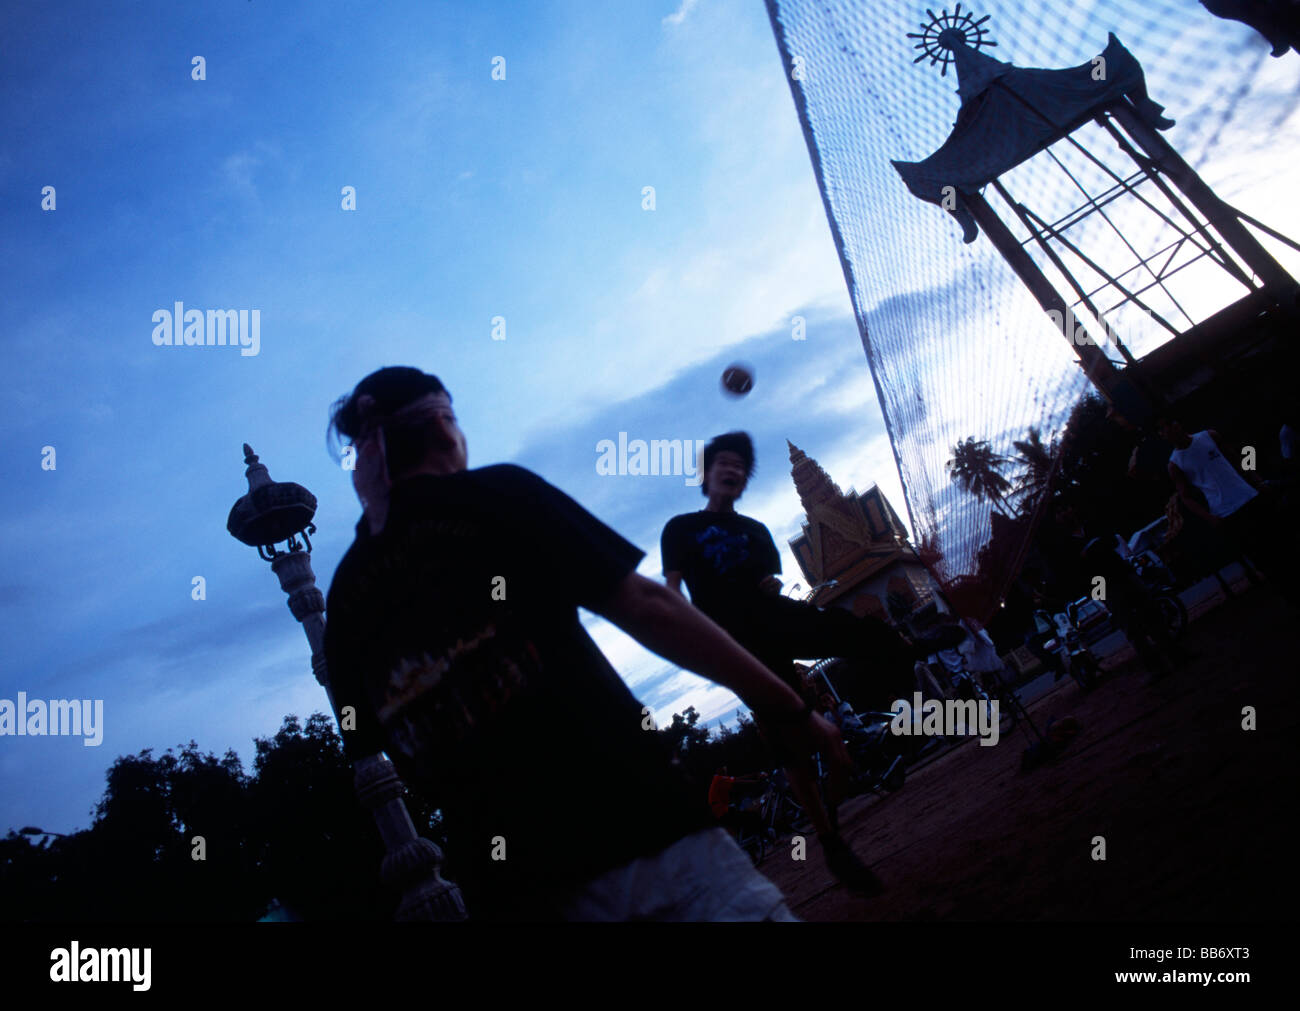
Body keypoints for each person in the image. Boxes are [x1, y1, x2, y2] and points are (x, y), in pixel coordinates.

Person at [323, 367, 851, 922]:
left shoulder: (347, 597)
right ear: (441, 425)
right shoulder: (494, 497)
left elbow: (374, 747)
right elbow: (648, 608)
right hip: (642, 835)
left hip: (509, 891)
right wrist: (791, 708)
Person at [660, 431, 962, 894]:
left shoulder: (756, 532)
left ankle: (908, 648)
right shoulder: (680, 529)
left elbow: (768, 585)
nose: (732, 469)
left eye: (740, 465)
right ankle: (829, 839)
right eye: (723, 462)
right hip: (736, 643)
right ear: (706, 474)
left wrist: (771, 589)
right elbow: (672, 593)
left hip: (774, 617)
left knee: (846, 628)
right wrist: (695, 641)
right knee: (796, 742)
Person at [1157, 417, 1299, 603]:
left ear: (1178, 424)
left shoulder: (1209, 436)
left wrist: (1256, 480)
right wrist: (1209, 517)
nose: (1170, 430)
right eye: (1164, 429)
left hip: (1249, 496)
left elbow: (1237, 458)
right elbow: (1185, 496)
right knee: (1262, 558)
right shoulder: (1175, 464)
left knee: (1282, 542)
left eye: (1171, 424)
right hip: (1227, 512)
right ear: (1162, 435)